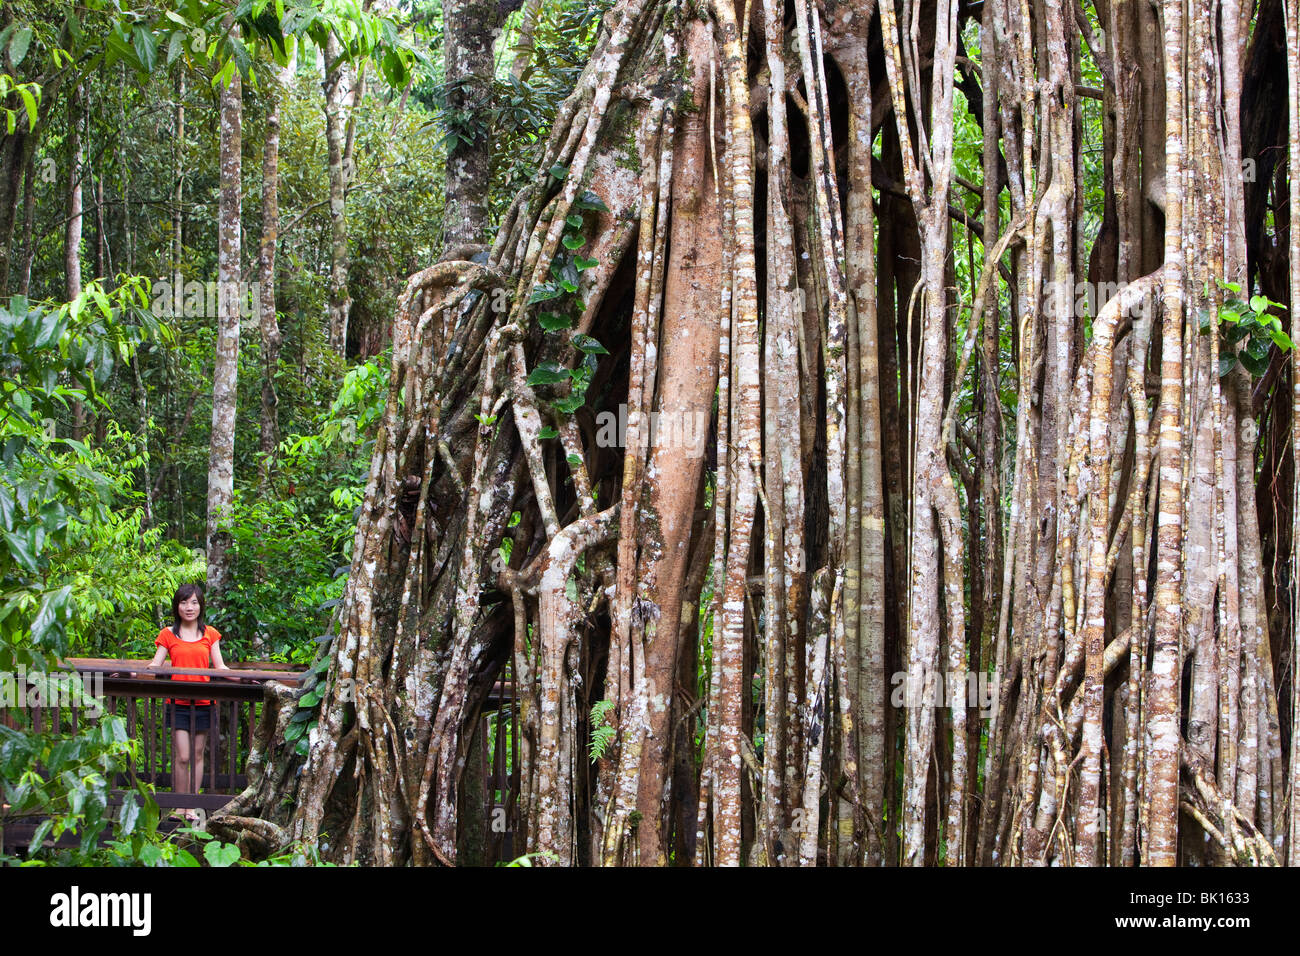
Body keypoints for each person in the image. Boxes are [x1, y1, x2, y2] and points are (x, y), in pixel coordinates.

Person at [148, 583, 231, 817]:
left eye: (194, 602)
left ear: (201, 605)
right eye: (184, 602)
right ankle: (179, 804)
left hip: (204, 703)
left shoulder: (210, 634)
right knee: (182, 755)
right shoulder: (168, 634)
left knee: (196, 754)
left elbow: (220, 665)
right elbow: (156, 664)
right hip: (178, 704)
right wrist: (134, 673)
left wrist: (245, 679)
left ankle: (191, 807)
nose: (189, 607)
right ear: (177, 606)